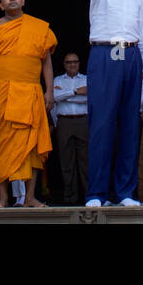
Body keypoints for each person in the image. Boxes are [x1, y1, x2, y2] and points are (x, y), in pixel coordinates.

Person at [77, 0, 143, 208]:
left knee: (130, 124)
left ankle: (125, 193)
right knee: (101, 124)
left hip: (131, 55)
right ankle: (96, 194)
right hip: (105, 53)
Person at [0, 0, 56, 208]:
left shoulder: (39, 27)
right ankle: (3, 197)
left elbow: (46, 62)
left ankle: (30, 197)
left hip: (31, 91)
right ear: (1, 4)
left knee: (32, 145)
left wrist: (49, 90)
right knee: (1, 144)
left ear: (23, 1)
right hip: (2, 91)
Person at [51, 51, 89, 205]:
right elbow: (54, 97)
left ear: (79, 63)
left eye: (75, 61)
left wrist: (65, 94)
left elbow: (89, 97)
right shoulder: (57, 80)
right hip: (64, 122)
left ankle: (88, 195)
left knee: (85, 161)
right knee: (66, 161)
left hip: (83, 121)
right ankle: (69, 198)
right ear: (64, 64)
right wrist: (75, 92)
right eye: (69, 62)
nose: (72, 64)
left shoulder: (87, 79)